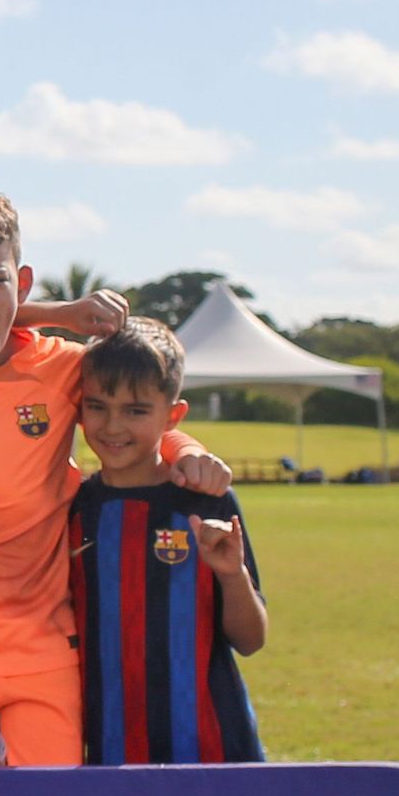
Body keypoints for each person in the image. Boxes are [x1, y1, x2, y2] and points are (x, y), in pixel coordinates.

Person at [0, 186, 226, 768]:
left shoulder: (64, 368)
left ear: (23, 279)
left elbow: (137, 405)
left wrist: (185, 446)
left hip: (44, 646)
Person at [71, 319, 269, 765]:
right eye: (97, 406)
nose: (113, 425)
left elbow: (251, 639)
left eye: (137, 410)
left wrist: (232, 575)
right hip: (108, 752)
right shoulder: (74, 507)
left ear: (173, 415)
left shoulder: (207, 502)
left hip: (214, 749)